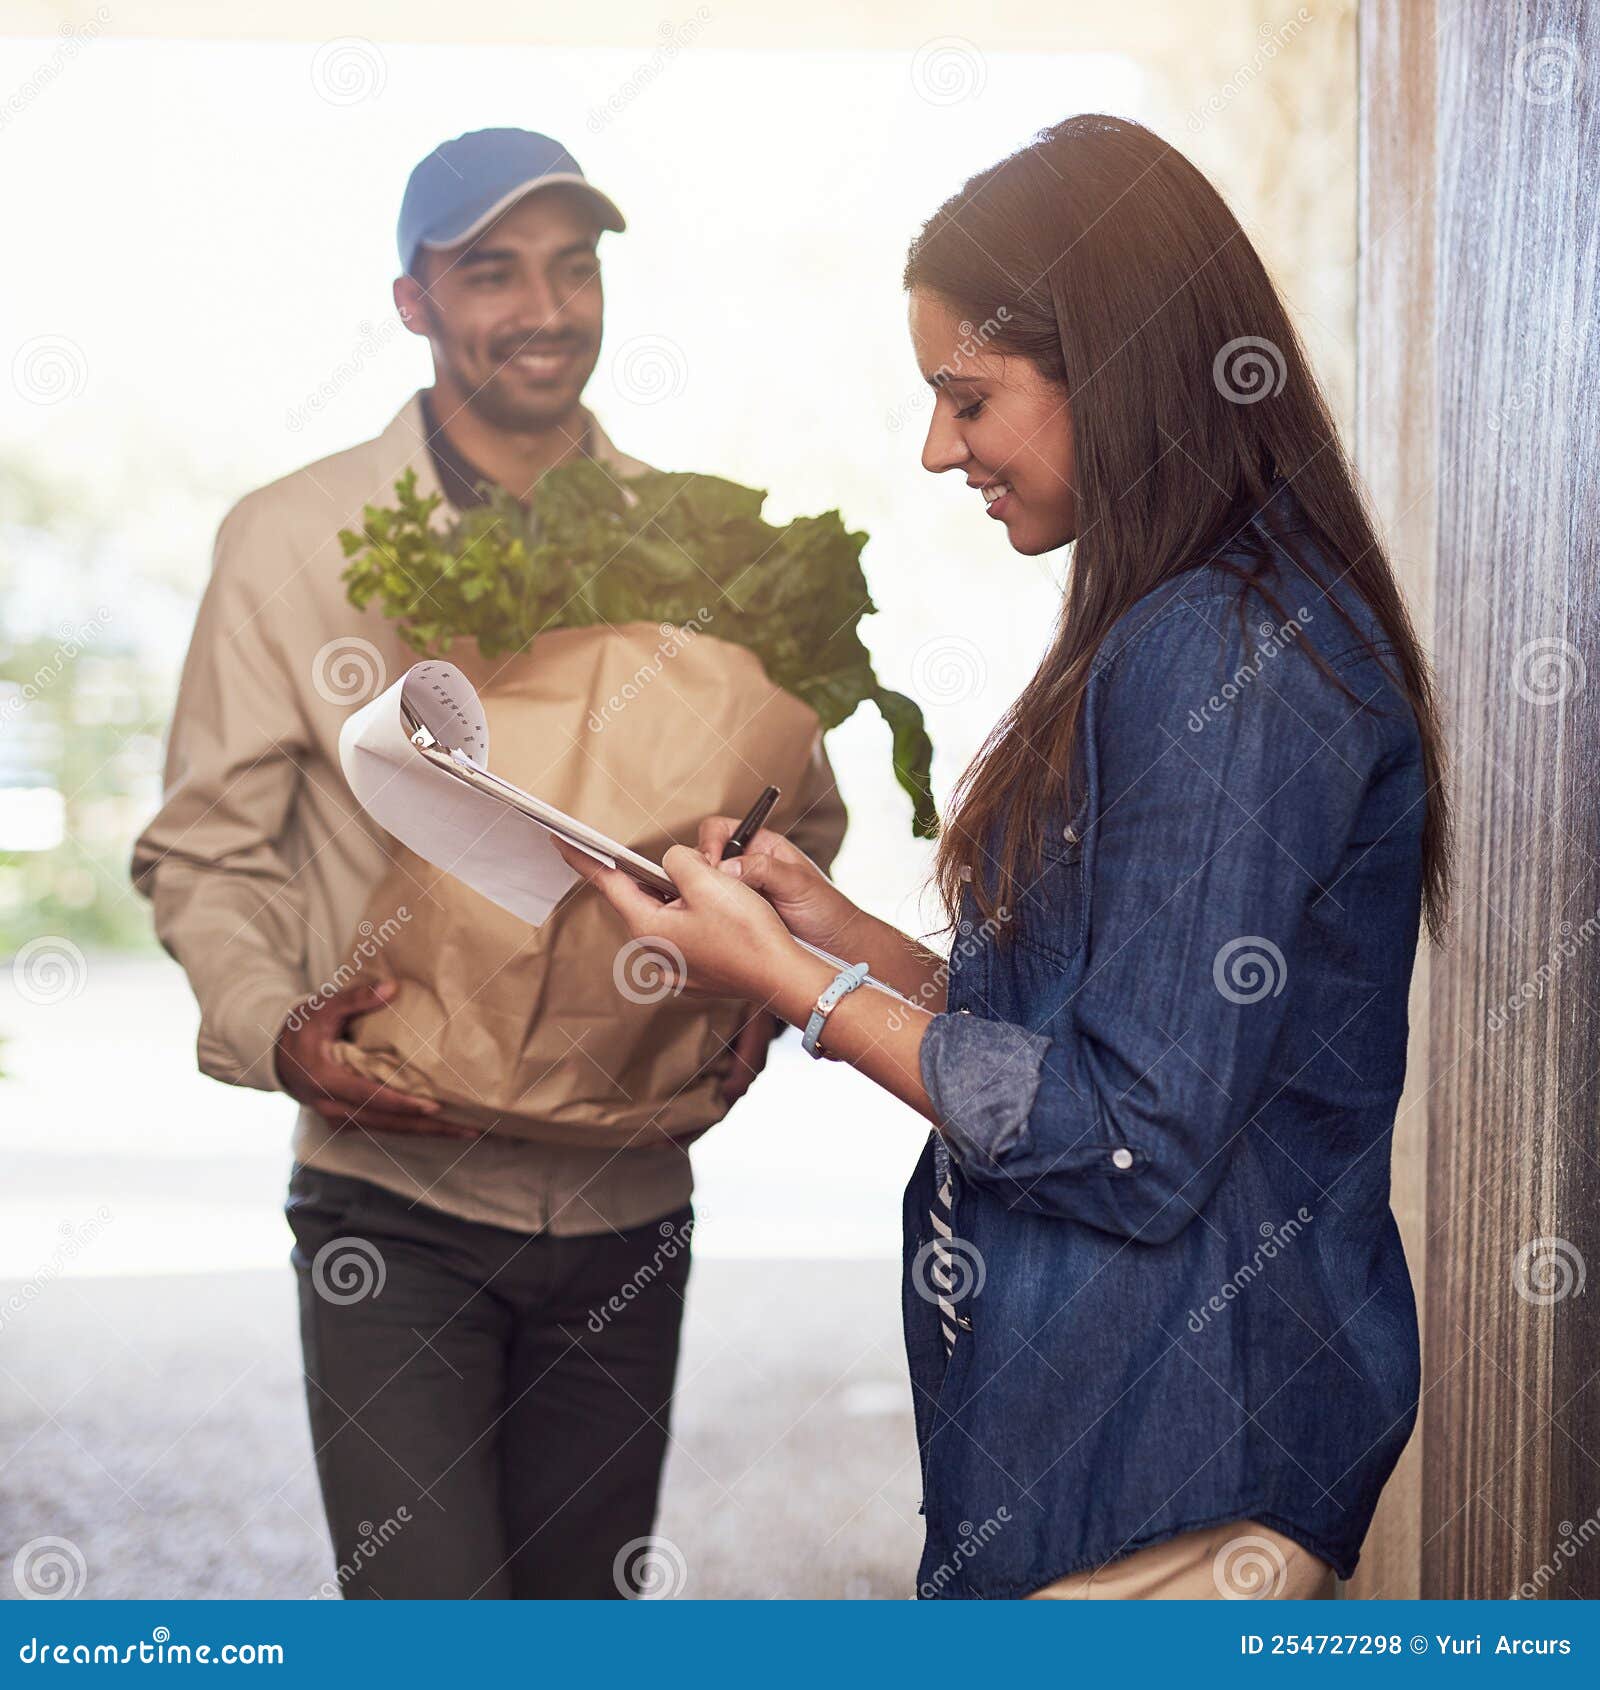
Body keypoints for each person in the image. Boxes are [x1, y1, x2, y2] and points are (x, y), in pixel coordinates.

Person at [567, 114, 1449, 1600]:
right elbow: (1103, 1034)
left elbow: (1134, 1129)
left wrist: (789, 981)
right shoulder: (1192, 620)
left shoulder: (1219, 646)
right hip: (1130, 1463)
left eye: (967, 397)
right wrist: (829, 928)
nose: (936, 449)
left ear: (1111, 361)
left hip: (1172, 1476)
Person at [130, 128, 845, 1599]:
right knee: (428, 1620)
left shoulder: (701, 545)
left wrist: (761, 990)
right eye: (491, 270)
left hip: (629, 1202)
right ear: (412, 301)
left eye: (574, 265)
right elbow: (207, 844)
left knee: (582, 1621)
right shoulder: (291, 540)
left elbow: (789, 825)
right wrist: (277, 1025)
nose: (545, 306)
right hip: (394, 1199)